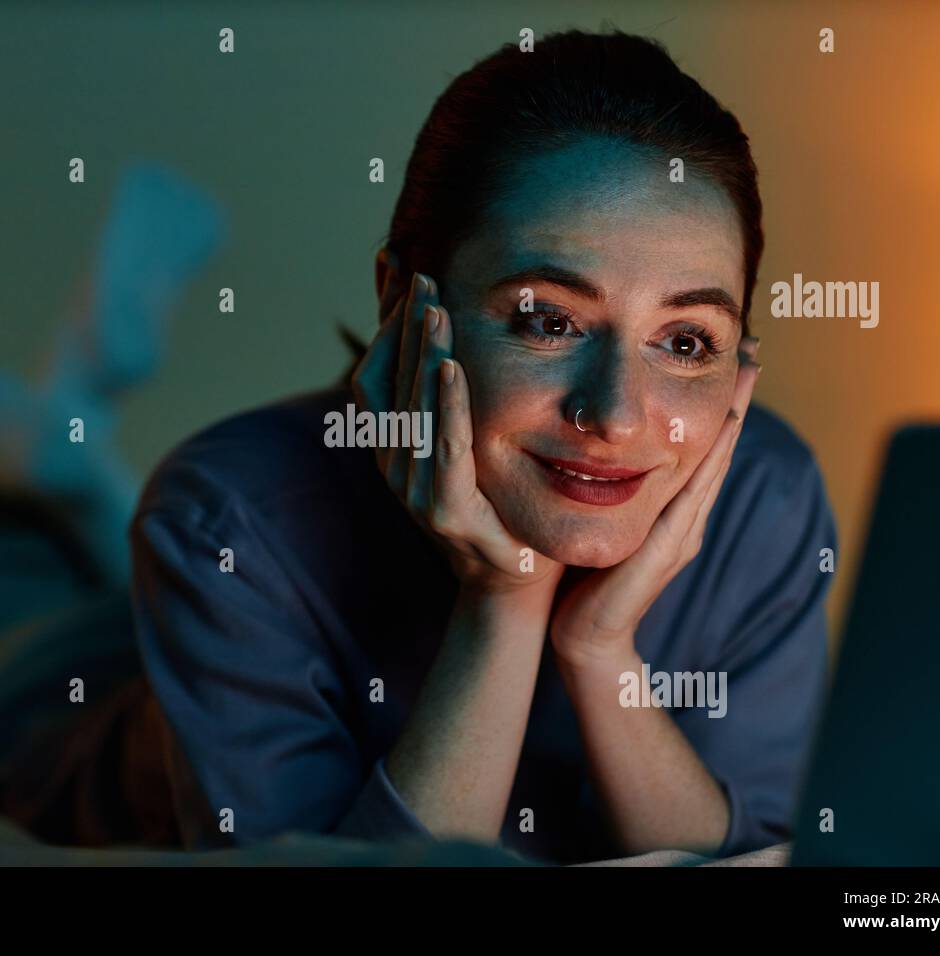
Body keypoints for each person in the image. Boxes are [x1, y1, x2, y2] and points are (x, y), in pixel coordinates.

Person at [129, 29, 836, 865]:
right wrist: (506, 598)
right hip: (45, 720)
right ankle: (63, 431)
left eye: (685, 343)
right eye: (548, 321)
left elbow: (753, 861)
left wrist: (599, 651)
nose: (614, 417)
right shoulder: (226, 518)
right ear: (401, 299)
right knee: (16, 576)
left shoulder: (768, 501)